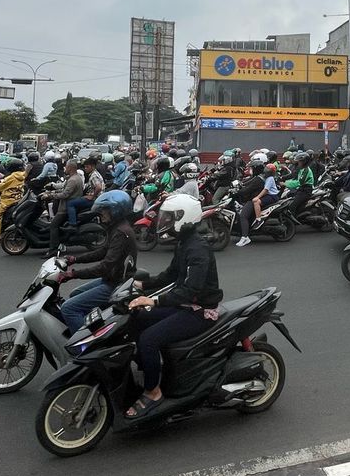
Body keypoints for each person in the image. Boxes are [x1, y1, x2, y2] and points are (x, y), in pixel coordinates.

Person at [124, 194, 221, 419]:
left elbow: (190, 290)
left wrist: (154, 300)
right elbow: (171, 275)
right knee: (137, 317)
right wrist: (140, 285)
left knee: (148, 339)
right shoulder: (184, 243)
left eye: (169, 217)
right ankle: (149, 365)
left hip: (199, 311)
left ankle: (153, 392)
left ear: (184, 218)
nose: (164, 221)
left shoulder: (198, 249)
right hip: (184, 304)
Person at [57, 190, 137, 332]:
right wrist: (75, 259)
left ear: (115, 210)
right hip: (111, 279)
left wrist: (73, 274)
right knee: (75, 294)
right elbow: (102, 252)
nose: (101, 214)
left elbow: (105, 266)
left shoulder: (121, 233)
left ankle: (86, 341)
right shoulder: (117, 228)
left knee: (68, 308)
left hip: (116, 284)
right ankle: (90, 325)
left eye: (105, 210)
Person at [236, 159, 280, 247]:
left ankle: (245, 237)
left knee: (243, 216)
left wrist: (238, 192)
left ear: (256, 169)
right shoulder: (258, 177)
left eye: (252, 168)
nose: (250, 170)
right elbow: (247, 183)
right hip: (252, 198)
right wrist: (240, 184)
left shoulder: (259, 179)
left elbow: (248, 189)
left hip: (253, 199)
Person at [45, 160, 85, 251]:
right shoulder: (75, 178)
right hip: (68, 205)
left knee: (53, 225)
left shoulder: (73, 180)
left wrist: (50, 195)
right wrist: (53, 192)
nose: (65, 168)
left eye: (66, 167)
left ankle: (53, 248)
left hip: (65, 208)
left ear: (70, 168)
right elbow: (65, 190)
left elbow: (65, 195)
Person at [0, 158, 26, 242]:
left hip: (9, 200)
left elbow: (0, 186)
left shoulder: (12, 177)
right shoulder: (23, 175)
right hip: (18, 198)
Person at [66, 157, 105, 226]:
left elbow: (99, 187)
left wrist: (92, 196)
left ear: (93, 166)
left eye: (87, 167)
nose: (85, 168)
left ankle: (72, 224)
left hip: (95, 199)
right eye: (85, 167)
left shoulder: (94, 175)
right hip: (95, 197)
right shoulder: (94, 174)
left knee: (70, 203)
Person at [288, 151, 316, 215]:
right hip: (301, 190)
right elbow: (294, 176)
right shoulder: (301, 169)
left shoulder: (306, 170)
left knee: (292, 206)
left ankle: (293, 220)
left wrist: (285, 184)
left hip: (305, 191)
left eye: (299, 162)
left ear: (304, 162)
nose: (298, 163)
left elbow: (299, 182)